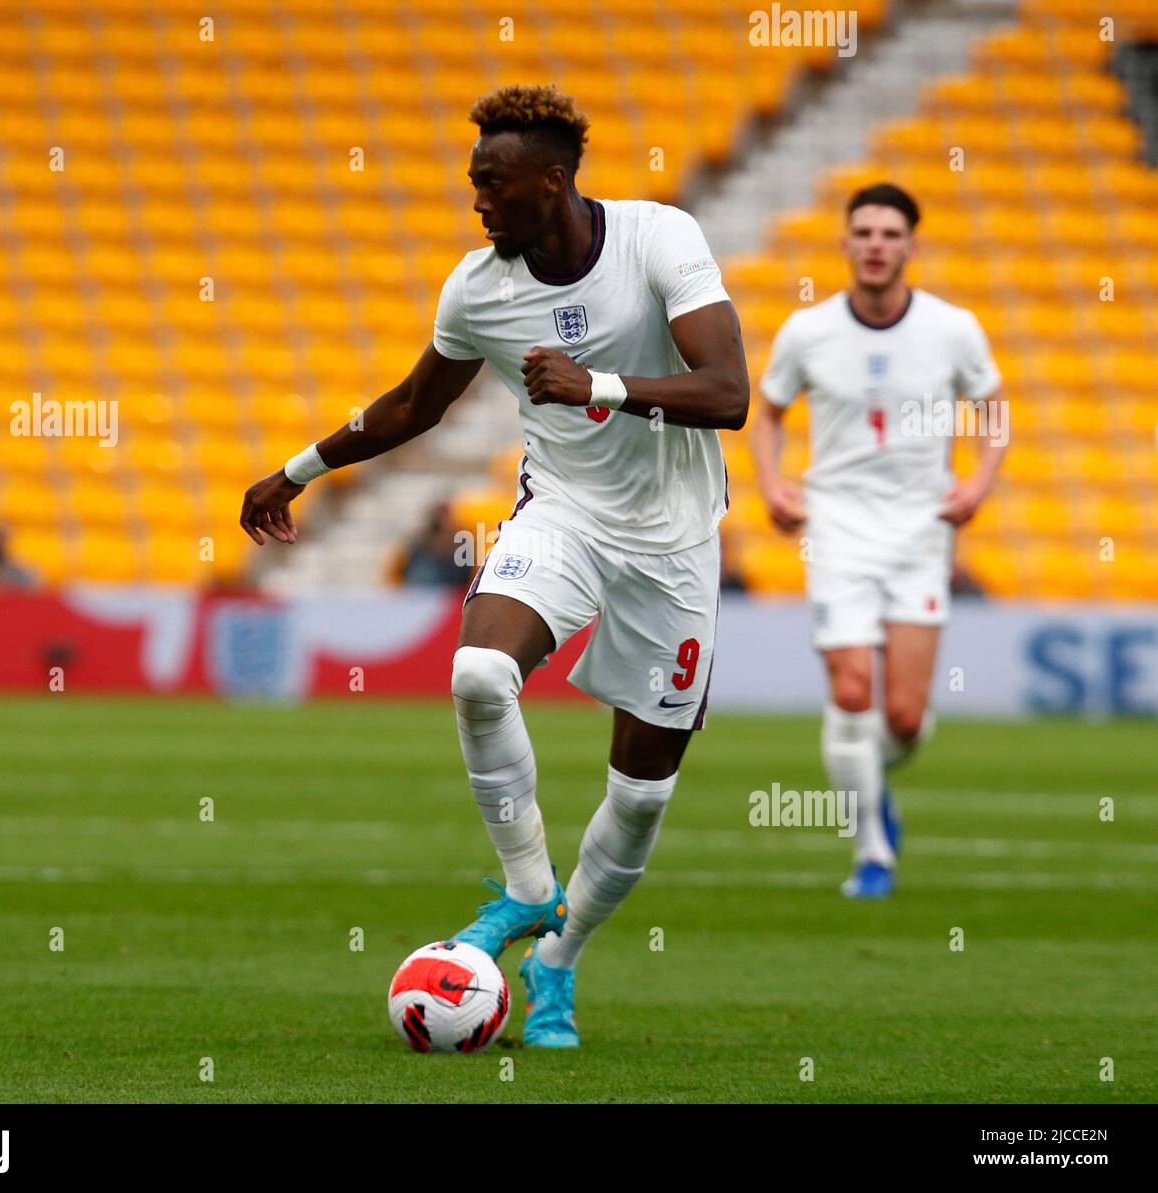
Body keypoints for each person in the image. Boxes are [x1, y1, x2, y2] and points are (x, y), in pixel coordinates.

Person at [241, 83, 748, 1047]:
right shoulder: (478, 287)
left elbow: (728, 393)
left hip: (675, 540)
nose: (476, 201)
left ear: (551, 183)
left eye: (493, 184)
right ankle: (526, 886)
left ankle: (557, 958)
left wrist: (598, 385)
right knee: (479, 672)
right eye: (473, 181)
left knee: (641, 797)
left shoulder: (658, 238)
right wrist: (297, 470)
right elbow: (413, 404)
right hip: (562, 513)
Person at [751, 182, 1009, 899]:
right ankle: (872, 852)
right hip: (836, 526)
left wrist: (980, 481)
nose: (875, 245)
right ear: (845, 242)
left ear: (911, 246)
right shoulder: (808, 331)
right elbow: (767, 411)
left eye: (890, 234)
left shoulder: (952, 329)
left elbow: (994, 408)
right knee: (852, 688)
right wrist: (772, 483)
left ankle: (866, 774)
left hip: (921, 530)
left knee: (903, 717)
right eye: (864, 232)